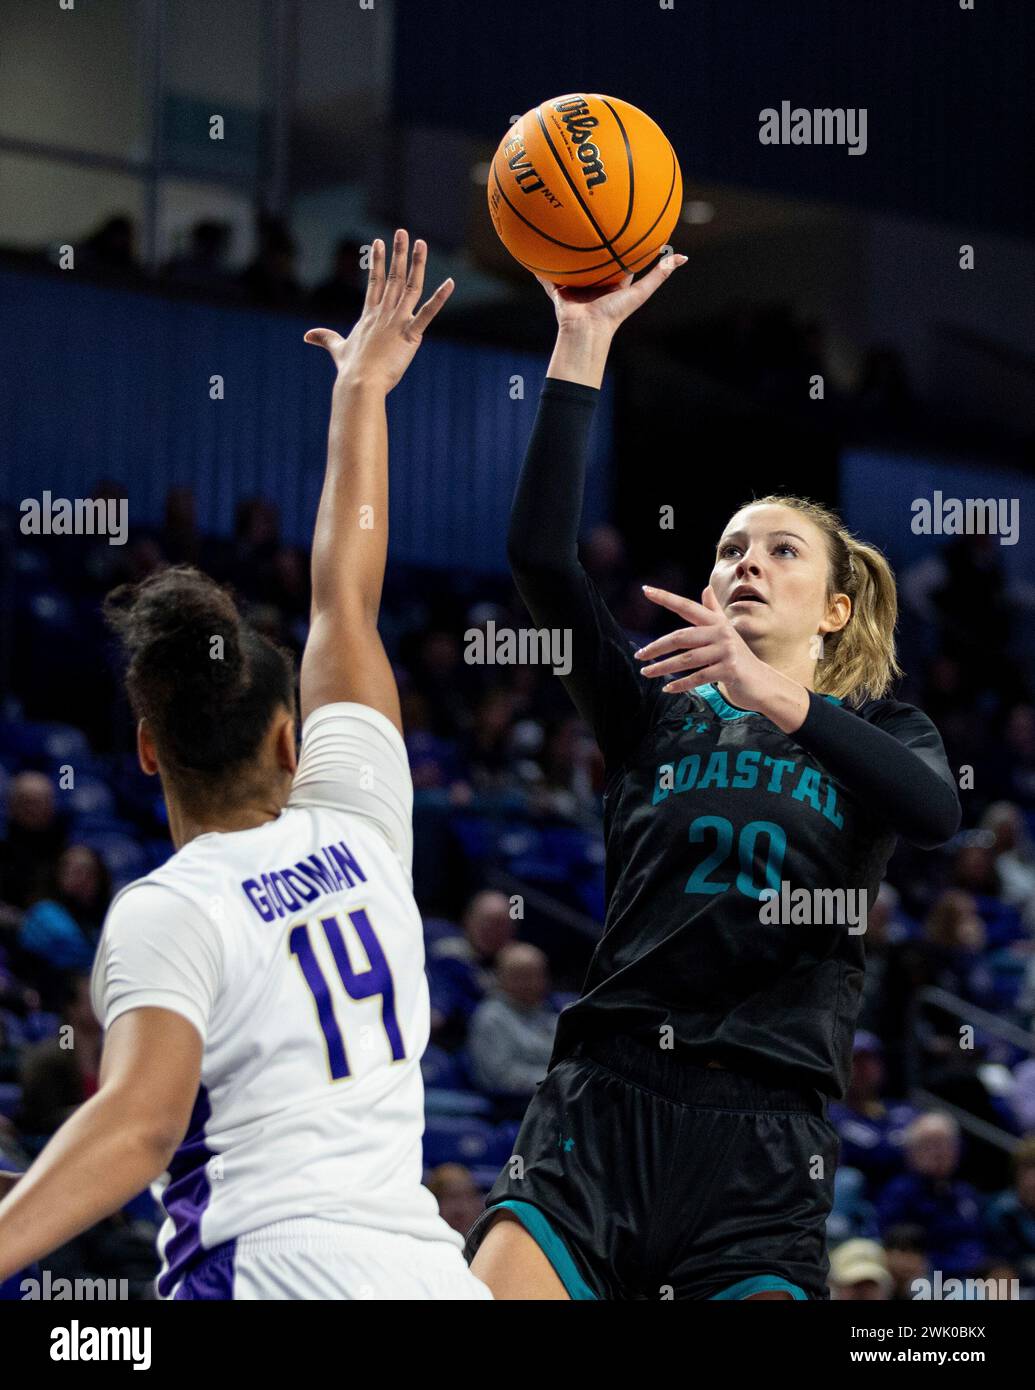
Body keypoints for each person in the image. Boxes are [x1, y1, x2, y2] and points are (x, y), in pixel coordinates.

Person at [0, 230, 490, 1301]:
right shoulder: (363, 823)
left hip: (267, 1268)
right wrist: (362, 392)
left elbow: (136, 1130)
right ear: (289, 738)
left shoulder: (169, 908)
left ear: (143, 751)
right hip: (428, 1273)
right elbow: (344, 594)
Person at [465, 253, 962, 1301]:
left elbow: (933, 815)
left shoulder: (884, 731)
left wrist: (778, 695)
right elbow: (540, 560)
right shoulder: (650, 712)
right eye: (732, 548)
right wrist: (582, 342)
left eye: (782, 552)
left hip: (765, 1145)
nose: (747, 562)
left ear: (834, 609)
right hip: (600, 1107)